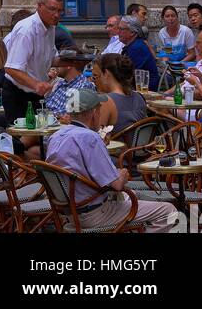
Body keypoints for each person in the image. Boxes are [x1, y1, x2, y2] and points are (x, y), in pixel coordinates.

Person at [45, 86, 175, 232]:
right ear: (94, 113)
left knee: (127, 197)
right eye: (99, 110)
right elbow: (117, 185)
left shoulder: (55, 136)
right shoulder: (89, 137)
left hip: (69, 212)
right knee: (168, 211)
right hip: (93, 214)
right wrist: (123, 174)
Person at [1, 0, 62, 123]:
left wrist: (73, 61)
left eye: (59, 11)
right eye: (52, 9)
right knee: (24, 139)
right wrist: (37, 85)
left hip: (35, 93)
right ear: (39, 6)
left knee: (40, 133)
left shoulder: (51, 28)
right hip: (17, 93)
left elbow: (51, 59)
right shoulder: (26, 30)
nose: (57, 15)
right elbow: (11, 68)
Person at [92, 53, 149, 133]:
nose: (94, 81)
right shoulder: (139, 98)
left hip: (113, 144)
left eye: (97, 76)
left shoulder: (106, 101)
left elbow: (95, 137)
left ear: (106, 74)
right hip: (139, 145)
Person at [44, 48, 94, 120]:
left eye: (60, 62)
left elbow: (70, 116)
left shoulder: (83, 86)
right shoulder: (61, 83)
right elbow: (47, 105)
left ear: (69, 65)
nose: (57, 66)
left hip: (63, 128)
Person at [117, 14, 159, 91]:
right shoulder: (133, 45)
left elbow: (127, 74)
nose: (118, 32)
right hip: (136, 87)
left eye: (121, 29)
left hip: (144, 90)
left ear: (132, 32)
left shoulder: (137, 48)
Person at [155, 4, 196, 71]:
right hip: (169, 66)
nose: (170, 19)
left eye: (173, 16)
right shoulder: (162, 33)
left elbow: (192, 54)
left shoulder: (186, 31)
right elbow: (165, 52)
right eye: (167, 16)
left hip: (184, 64)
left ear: (177, 17)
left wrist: (179, 64)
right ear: (163, 18)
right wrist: (166, 61)